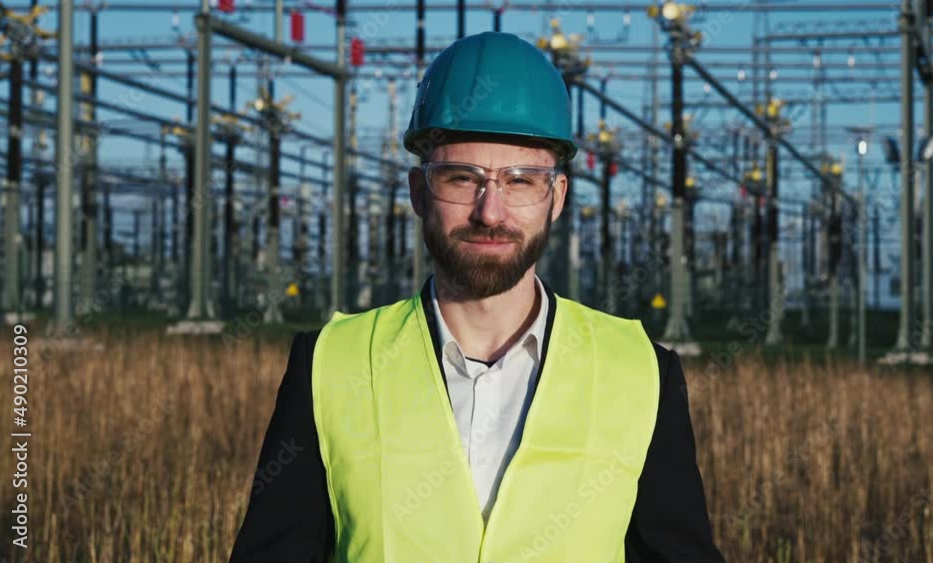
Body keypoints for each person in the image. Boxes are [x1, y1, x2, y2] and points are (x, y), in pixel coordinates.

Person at [230, 31, 725, 563]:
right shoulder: (330, 364)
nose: (490, 212)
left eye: (520, 181)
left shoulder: (641, 373)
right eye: (461, 178)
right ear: (419, 192)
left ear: (556, 197)